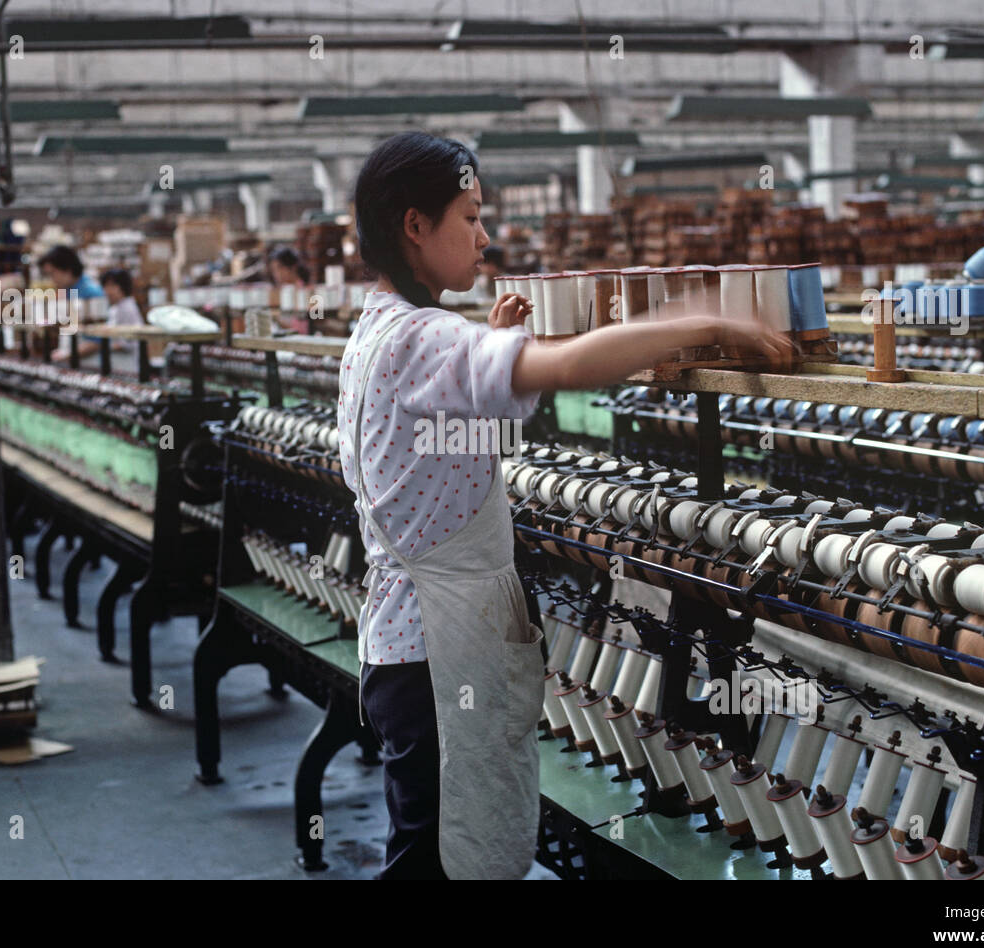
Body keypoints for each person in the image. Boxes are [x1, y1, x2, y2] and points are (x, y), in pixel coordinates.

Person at [339, 131, 790, 880]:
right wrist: (705, 320)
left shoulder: (375, 331)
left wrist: (493, 351)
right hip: (438, 653)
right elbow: (573, 365)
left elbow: (456, 436)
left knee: (438, 847)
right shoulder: (424, 338)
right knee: (439, 860)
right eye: (470, 218)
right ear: (413, 225)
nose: (485, 239)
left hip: (409, 643)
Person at [37, 245, 104, 299]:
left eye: (52, 273)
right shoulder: (67, 289)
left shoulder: (91, 294)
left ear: (67, 269)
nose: (52, 280)